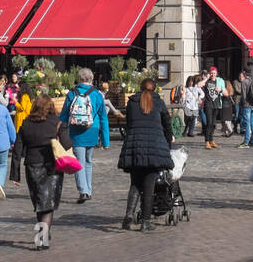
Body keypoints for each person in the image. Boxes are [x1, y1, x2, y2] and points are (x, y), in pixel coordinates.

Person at [118, 77, 174, 231]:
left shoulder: (132, 102)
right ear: (154, 89)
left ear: (141, 88)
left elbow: (129, 124)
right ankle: (146, 221)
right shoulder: (159, 102)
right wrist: (168, 144)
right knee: (149, 186)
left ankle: (128, 216)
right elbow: (167, 124)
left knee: (135, 183)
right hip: (154, 147)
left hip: (135, 147)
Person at [20, 94, 73, 249]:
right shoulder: (55, 123)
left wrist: (14, 172)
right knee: (47, 203)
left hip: (32, 164)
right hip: (51, 165)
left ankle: (43, 234)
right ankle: (42, 237)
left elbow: (18, 148)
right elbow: (68, 144)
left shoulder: (26, 123)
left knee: (39, 201)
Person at [60, 68, 108, 203]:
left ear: (79, 79)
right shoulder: (97, 95)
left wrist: (58, 130)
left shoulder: (72, 93)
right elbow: (103, 118)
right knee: (88, 161)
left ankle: (84, 191)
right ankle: (88, 190)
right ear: (91, 79)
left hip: (76, 131)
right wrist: (106, 140)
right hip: (92, 129)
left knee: (79, 162)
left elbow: (64, 114)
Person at [8, 82, 33, 187]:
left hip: (21, 125)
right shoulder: (28, 97)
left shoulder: (24, 96)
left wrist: (15, 102)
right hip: (25, 124)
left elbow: (22, 108)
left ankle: (15, 176)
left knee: (17, 153)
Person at [239, 69, 253, 149]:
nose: (240, 77)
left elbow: (243, 96)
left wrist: (243, 104)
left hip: (246, 105)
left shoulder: (244, 82)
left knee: (247, 123)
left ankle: (246, 142)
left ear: (245, 74)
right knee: (252, 123)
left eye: (241, 75)